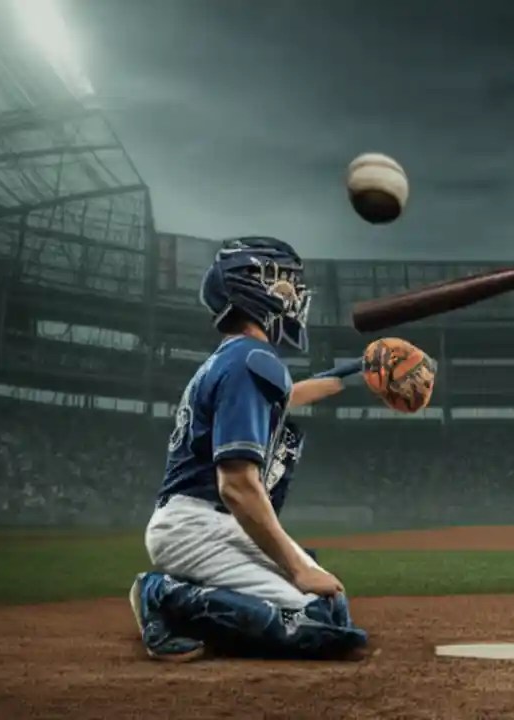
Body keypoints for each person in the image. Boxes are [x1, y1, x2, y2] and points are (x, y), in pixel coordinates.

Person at [128, 236, 371, 662]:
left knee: (333, 606)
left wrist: (360, 369)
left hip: (210, 521)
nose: (294, 293)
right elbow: (237, 486)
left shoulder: (239, 360)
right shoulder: (250, 362)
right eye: (282, 281)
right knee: (317, 626)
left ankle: (193, 595)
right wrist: (297, 568)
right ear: (250, 287)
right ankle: (161, 594)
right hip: (198, 525)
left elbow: (287, 395)